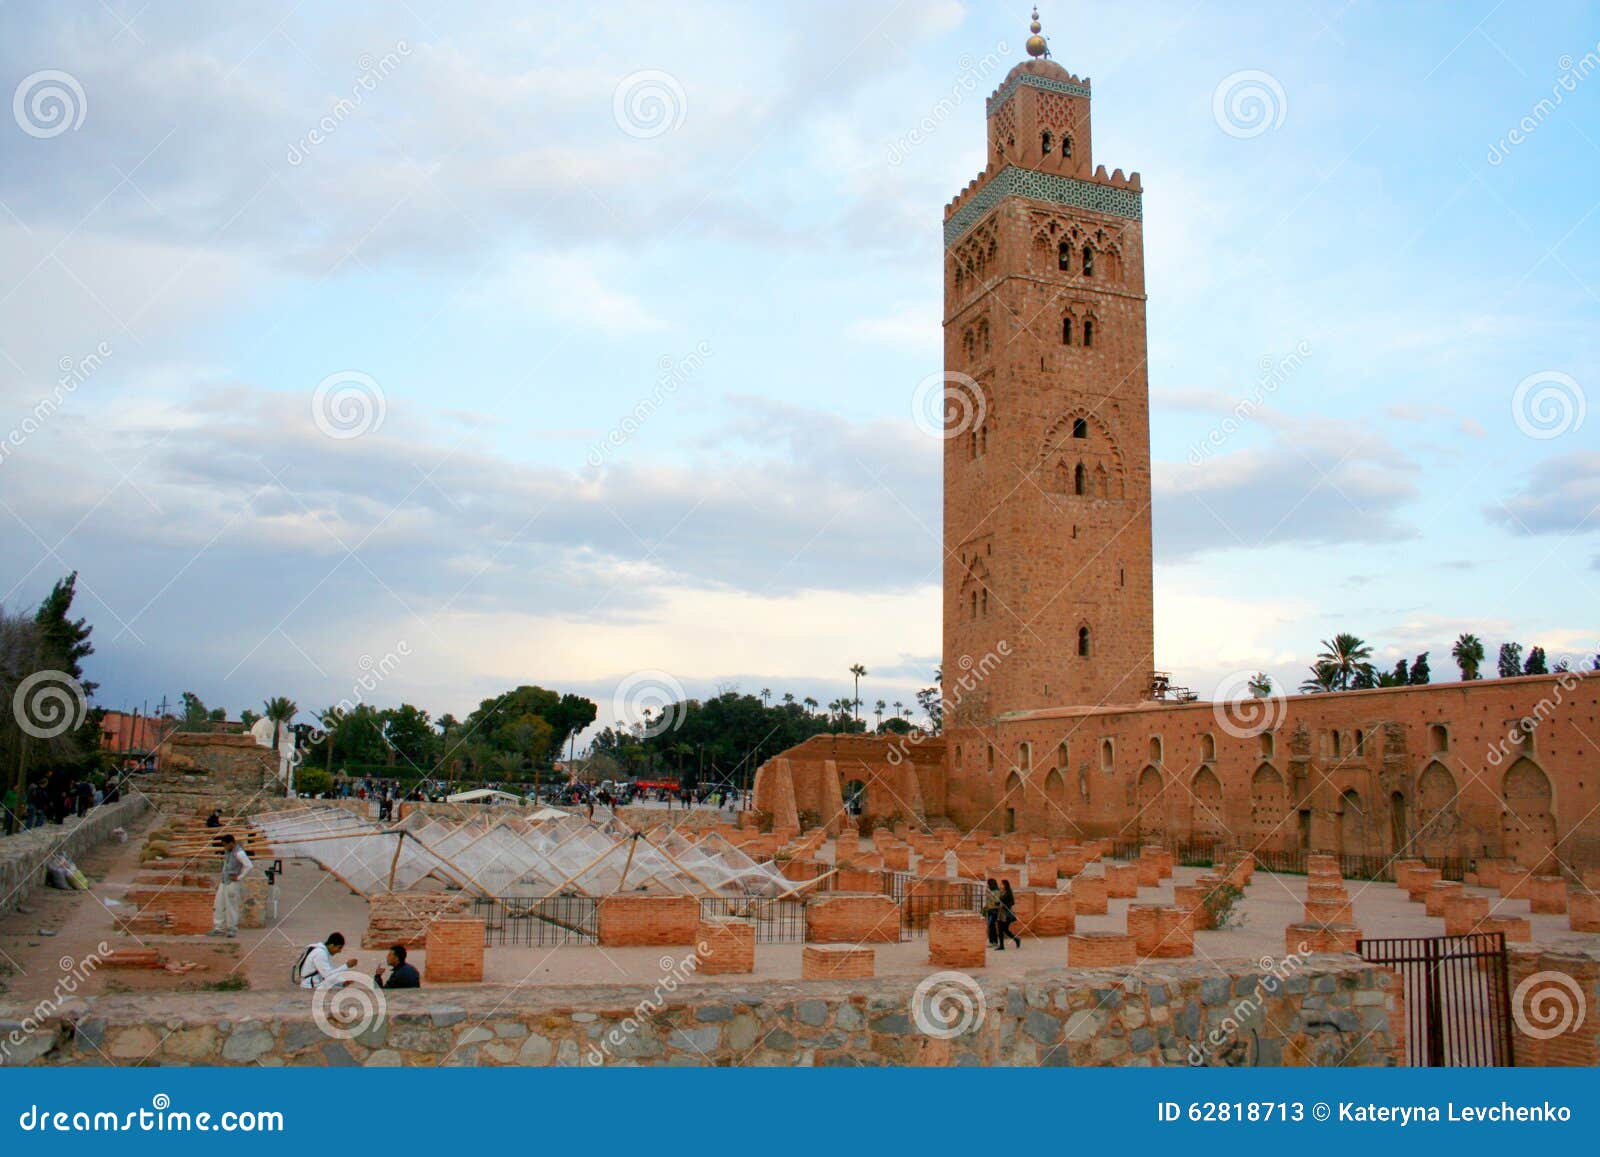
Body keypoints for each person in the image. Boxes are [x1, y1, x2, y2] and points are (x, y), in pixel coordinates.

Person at [208, 834, 253, 938]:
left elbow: (248, 866)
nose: (225, 847)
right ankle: (218, 928)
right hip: (224, 881)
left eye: (225, 845)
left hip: (232, 883)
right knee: (219, 904)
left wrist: (240, 877)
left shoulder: (239, 853)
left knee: (231, 906)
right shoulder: (228, 851)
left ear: (231, 843)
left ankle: (232, 928)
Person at [998, 879, 1022, 950]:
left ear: (1005, 885)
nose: (1000, 885)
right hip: (1001, 913)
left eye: (1001, 884)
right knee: (1001, 929)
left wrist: (1005, 905)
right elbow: (1000, 900)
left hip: (1006, 914)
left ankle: (1016, 939)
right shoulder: (1003, 891)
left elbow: (1012, 903)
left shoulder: (1009, 892)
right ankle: (1002, 945)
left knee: (1005, 929)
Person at [983, 878, 1001, 947]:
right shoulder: (990, 891)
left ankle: (994, 942)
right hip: (989, 910)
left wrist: (989, 896)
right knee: (991, 926)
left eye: (988, 883)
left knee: (991, 925)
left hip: (994, 910)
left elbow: (997, 901)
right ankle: (993, 942)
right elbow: (988, 901)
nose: (987, 885)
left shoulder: (997, 891)